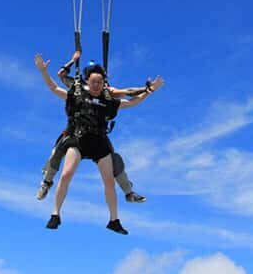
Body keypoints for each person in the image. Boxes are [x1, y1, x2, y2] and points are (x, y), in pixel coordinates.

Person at [34, 53, 164, 234]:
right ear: (87, 81)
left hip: (99, 142)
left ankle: (114, 221)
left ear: (104, 83)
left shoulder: (108, 101)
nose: (96, 84)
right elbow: (54, 87)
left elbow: (132, 102)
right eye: (93, 81)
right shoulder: (78, 95)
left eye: (100, 82)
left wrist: (149, 91)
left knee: (109, 182)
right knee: (66, 174)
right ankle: (55, 214)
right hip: (78, 139)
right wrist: (43, 72)